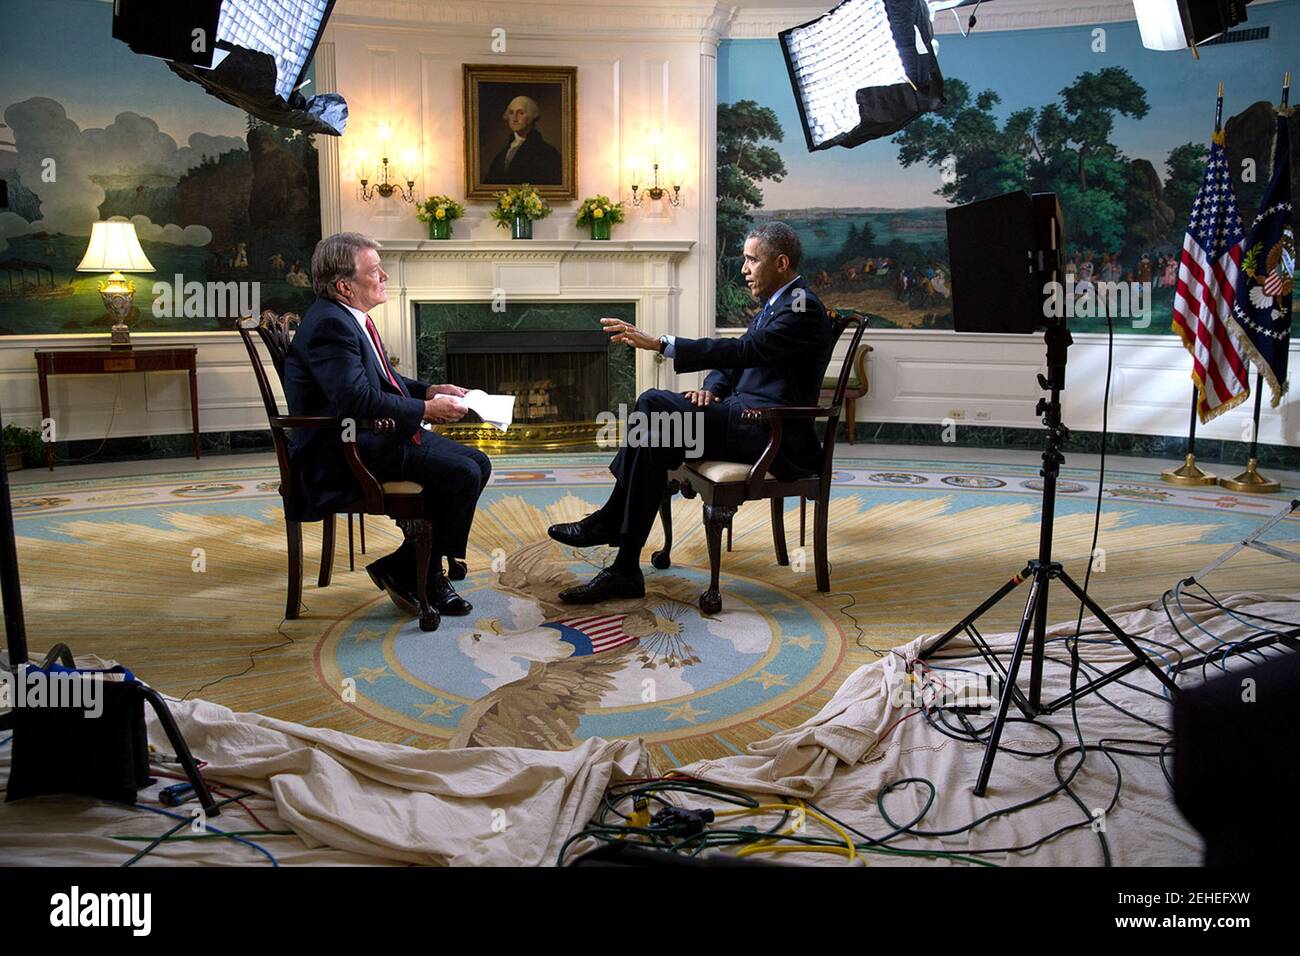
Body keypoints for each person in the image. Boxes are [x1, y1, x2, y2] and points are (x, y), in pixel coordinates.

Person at [547, 222, 836, 604]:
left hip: (768, 433)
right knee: (651, 441)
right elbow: (739, 356)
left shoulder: (802, 307)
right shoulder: (778, 303)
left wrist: (661, 344)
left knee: (651, 401)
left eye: (752, 259)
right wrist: (710, 389)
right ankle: (625, 569)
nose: (744, 269)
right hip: (740, 419)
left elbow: (744, 352)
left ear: (781, 263)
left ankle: (611, 521)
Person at [283, 232, 491, 618]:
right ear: (345, 285)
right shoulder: (332, 326)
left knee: (478, 464)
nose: (385, 277)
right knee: (461, 472)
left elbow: (381, 380)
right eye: (375, 271)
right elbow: (356, 399)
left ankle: (410, 568)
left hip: (365, 435)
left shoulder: (346, 317)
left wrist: (430, 389)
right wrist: (427, 410)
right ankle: (421, 573)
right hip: (341, 450)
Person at [485, 95, 562, 185]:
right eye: (511, 113)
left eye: (520, 113)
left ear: (531, 117)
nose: (514, 118)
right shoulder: (502, 154)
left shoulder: (547, 153)